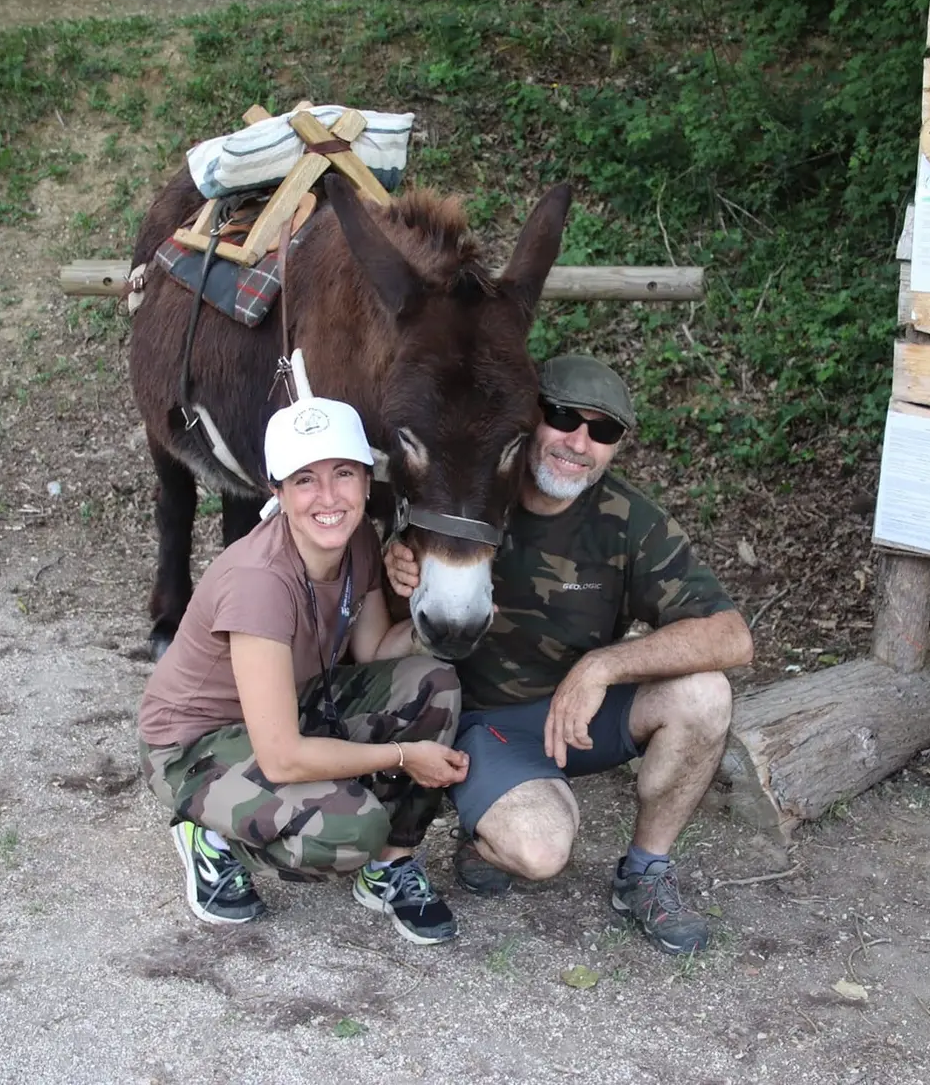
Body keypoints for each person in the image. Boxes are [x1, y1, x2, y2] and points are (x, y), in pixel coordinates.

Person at [386, 354, 753, 955]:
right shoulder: (467, 490)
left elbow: (732, 635)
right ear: (526, 419)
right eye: (562, 418)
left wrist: (604, 665)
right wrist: (394, 561)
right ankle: (485, 826)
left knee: (705, 693)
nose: (578, 442)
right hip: (484, 726)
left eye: (602, 430)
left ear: (616, 446)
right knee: (540, 850)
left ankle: (645, 873)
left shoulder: (625, 518)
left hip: (578, 714)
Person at [138, 394, 469, 945]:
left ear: (367, 481)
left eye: (343, 474)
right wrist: (407, 757)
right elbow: (283, 755)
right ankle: (209, 836)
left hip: (286, 707)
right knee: (348, 829)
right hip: (193, 745)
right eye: (304, 480)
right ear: (277, 493)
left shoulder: (357, 540)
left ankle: (389, 865)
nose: (329, 497)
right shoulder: (259, 582)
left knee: (434, 682)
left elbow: (373, 654)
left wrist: (431, 622)